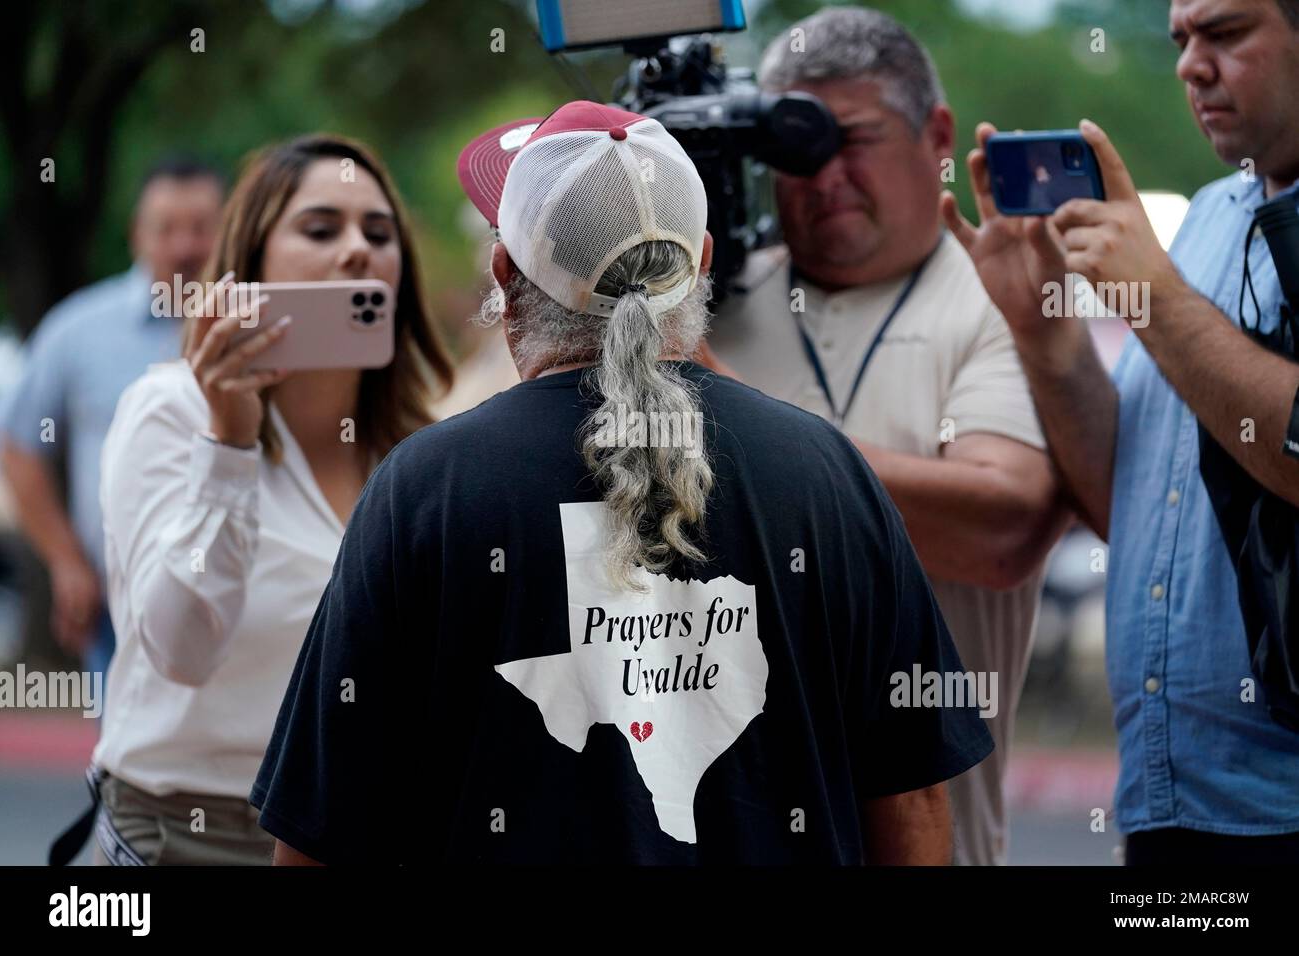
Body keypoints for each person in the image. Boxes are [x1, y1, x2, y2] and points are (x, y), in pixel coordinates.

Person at [251, 100, 993, 865]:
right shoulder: (827, 472)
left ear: (505, 274)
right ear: (701, 263)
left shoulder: (422, 490)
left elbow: (322, 830)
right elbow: (913, 798)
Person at [707, 7, 1070, 864]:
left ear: (935, 133)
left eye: (852, 138)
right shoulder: (709, 303)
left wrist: (726, 408)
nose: (822, 173)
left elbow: (1001, 528)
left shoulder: (1000, 291)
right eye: (794, 145)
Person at [942, 0, 1299, 864]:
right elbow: (1129, 504)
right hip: (1169, 807)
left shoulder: (1166, 256)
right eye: (1180, 40)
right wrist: (1041, 329)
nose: (1189, 65)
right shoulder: (1211, 213)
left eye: (1225, 33)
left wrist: (1159, 299)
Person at [87, 134, 453, 865]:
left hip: (361, 829)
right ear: (249, 266)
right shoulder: (171, 412)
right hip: (192, 834)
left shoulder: (418, 449)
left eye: (378, 234)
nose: (358, 251)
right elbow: (182, 648)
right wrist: (229, 444)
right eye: (321, 229)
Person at [0, 159, 223, 681]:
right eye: (166, 228)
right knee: (128, 758)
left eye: (202, 227)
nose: (186, 246)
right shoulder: (77, 331)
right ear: (136, 235)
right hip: (117, 609)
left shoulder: (267, 326)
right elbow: (18, 444)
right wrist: (65, 560)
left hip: (247, 597)